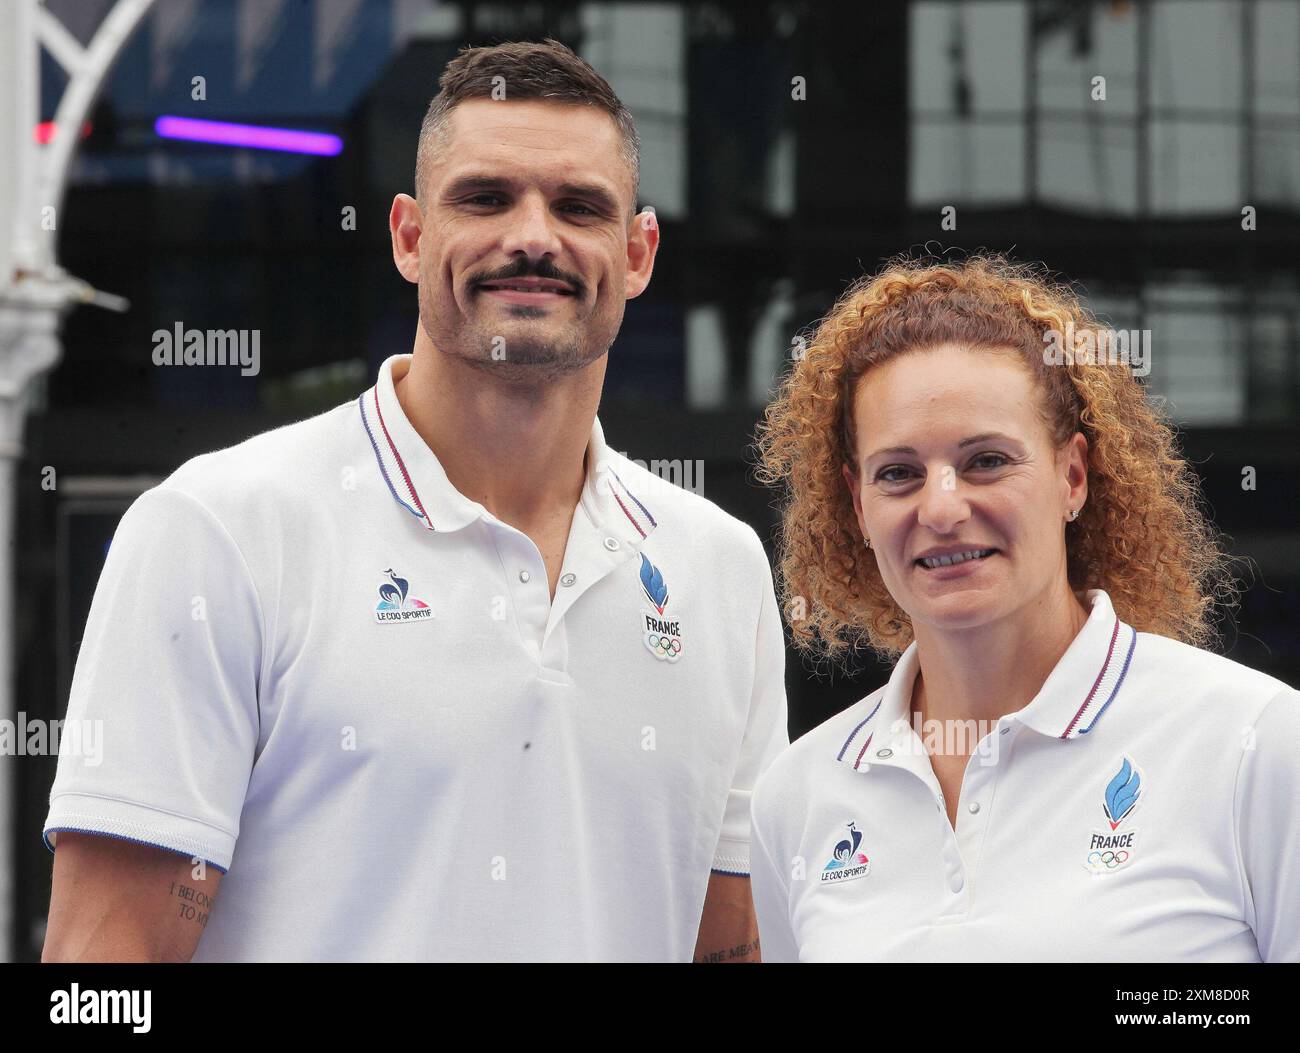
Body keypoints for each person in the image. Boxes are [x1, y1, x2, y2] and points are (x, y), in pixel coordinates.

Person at [41, 39, 787, 963]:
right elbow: (101, 971)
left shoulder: (720, 569)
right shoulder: (220, 530)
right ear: (408, 237)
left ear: (636, 255)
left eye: (579, 206)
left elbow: (728, 948)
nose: (533, 237)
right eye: (485, 197)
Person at [749, 253, 1300, 962]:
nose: (942, 508)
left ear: (1073, 476)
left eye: (986, 461)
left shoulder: (1254, 742)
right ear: (858, 505)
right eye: (899, 473)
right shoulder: (796, 797)